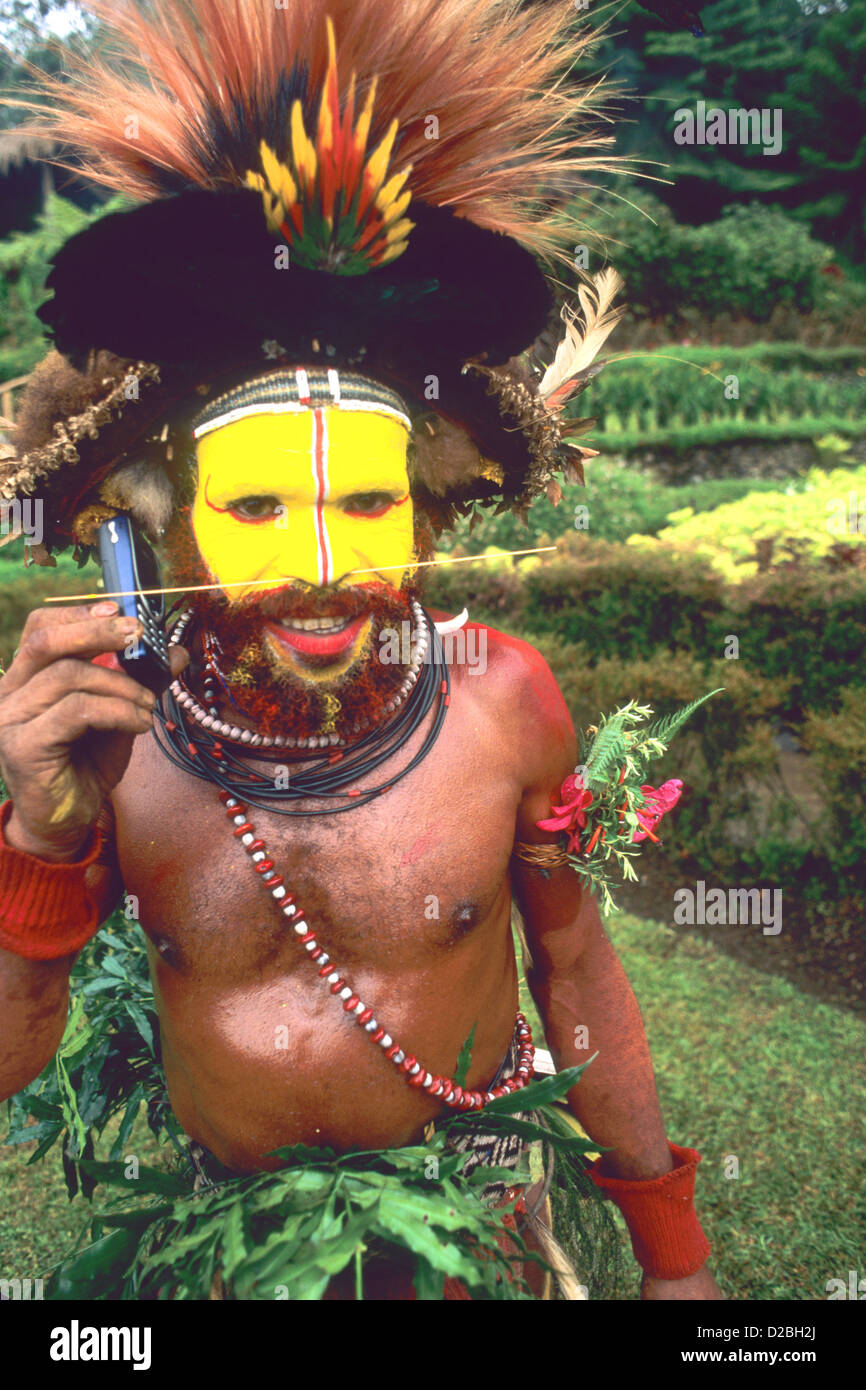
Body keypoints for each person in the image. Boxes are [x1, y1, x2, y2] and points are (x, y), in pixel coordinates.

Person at [0, 0, 719, 1300]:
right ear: (160, 525)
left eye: (366, 504)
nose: (323, 561)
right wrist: (41, 844)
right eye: (259, 507)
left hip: (470, 1230)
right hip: (227, 1248)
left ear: (427, 507)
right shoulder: (110, 738)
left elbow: (573, 966)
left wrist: (672, 1259)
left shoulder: (503, 703)